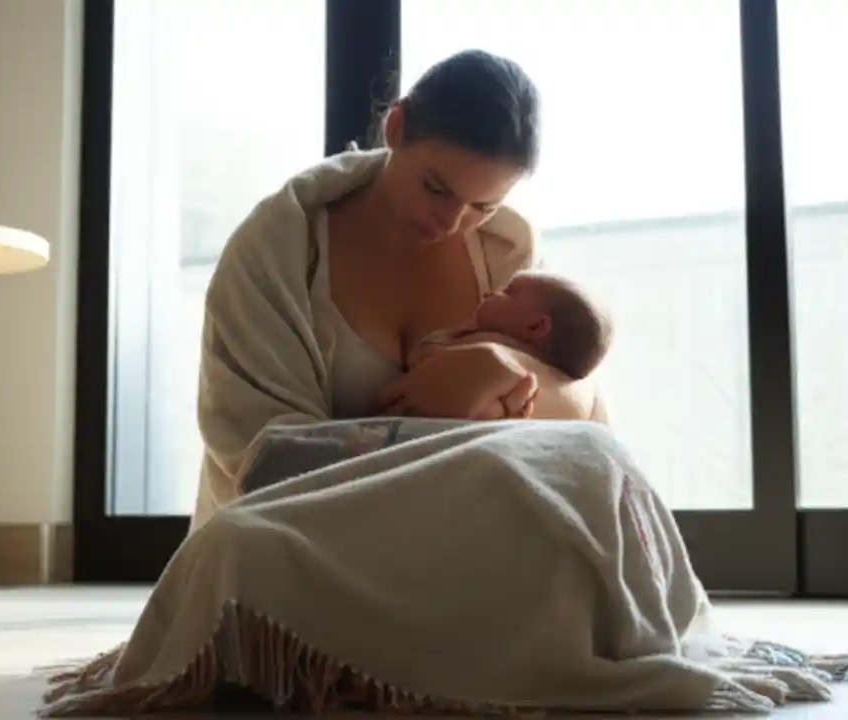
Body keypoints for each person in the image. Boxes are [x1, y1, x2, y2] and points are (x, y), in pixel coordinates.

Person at [191, 49, 606, 532]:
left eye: (483, 205)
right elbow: (259, 455)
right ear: (395, 128)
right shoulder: (277, 250)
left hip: (461, 536)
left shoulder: (506, 249)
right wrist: (428, 440)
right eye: (436, 188)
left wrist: (501, 370)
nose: (453, 223)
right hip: (303, 534)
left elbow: (583, 411)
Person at [393, 270, 612, 420]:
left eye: (508, 292)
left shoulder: (480, 343)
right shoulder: (533, 370)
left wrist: (454, 335)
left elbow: (420, 358)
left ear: (535, 326)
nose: (490, 293)